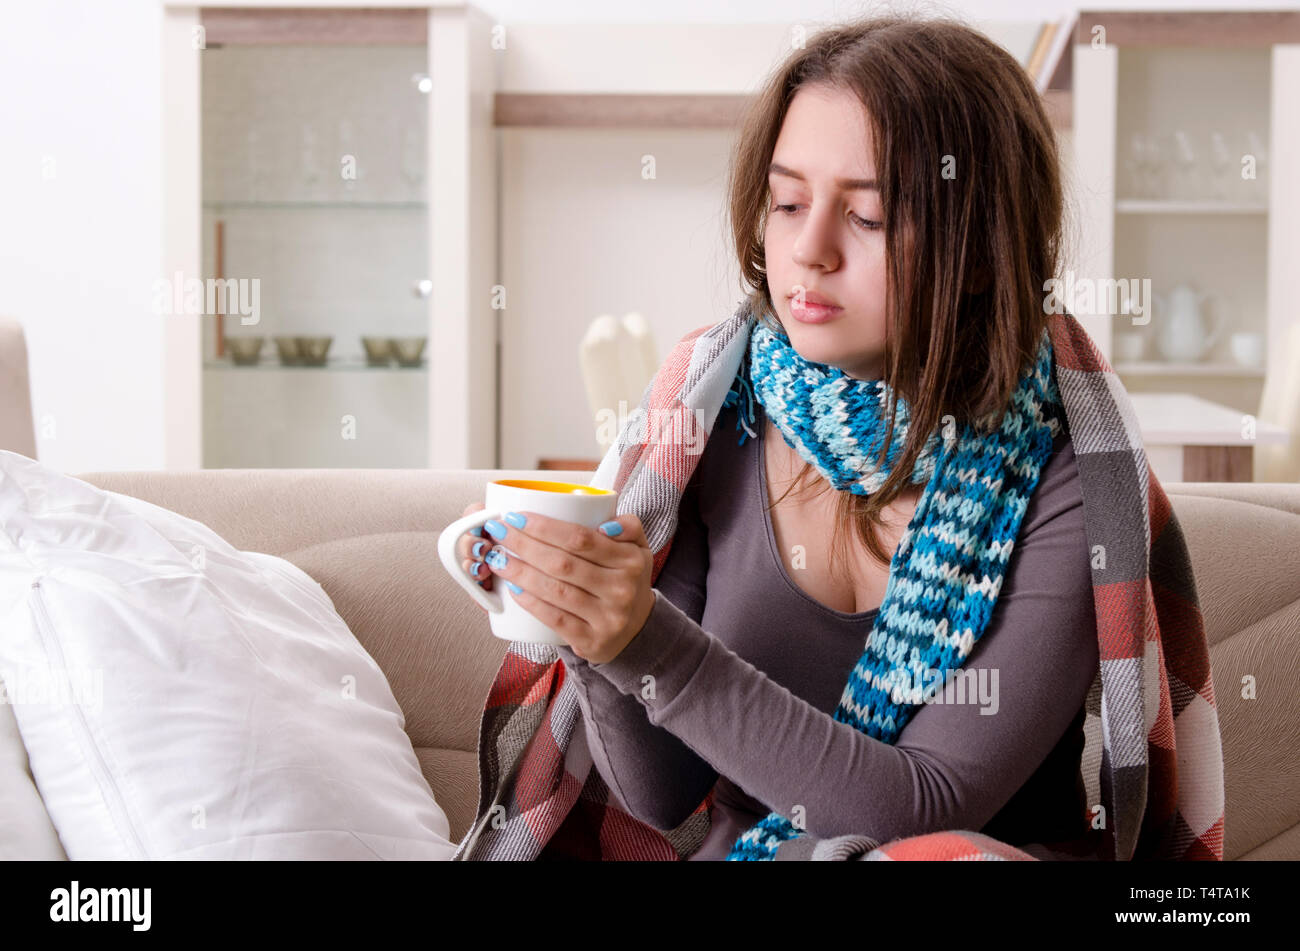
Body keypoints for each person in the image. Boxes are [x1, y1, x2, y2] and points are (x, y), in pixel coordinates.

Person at [454, 14, 1097, 860]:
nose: (808, 249)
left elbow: (924, 811)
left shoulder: (1068, 475)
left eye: (867, 217)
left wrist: (648, 638)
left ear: (978, 250)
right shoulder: (714, 414)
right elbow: (664, 791)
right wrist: (592, 626)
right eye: (788, 202)